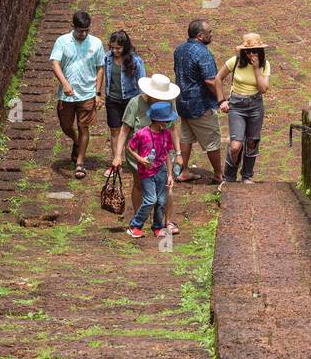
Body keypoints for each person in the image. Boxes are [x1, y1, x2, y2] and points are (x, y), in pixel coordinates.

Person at [113, 73, 184, 235]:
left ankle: (165, 221)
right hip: (139, 155)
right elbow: (124, 131)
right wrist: (117, 155)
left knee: (165, 188)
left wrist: (178, 153)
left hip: (162, 153)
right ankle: (139, 221)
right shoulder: (135, 103)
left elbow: (173, 128)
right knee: (139, 185)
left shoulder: (168, 104)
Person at [49, 11, 104, 179]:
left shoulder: (96, 43)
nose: (84, 33)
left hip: (87, 93)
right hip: (67, 95)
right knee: (66, 125)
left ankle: (80, 162)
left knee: (84, 127)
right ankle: (77, 141)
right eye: (80, 30)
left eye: (86, 30)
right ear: (73, 27)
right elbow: (55, 63)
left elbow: (100, 67)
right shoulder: (62, 41)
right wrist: (65, 83)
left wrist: (98, 93)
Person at [173, 20, 224, 186]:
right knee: (212, 141)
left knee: (186, 137)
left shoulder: (179, 49)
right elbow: (210, 81)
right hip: (200, 105)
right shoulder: (203, 53)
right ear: (200, 36)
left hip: (183, 102)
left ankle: (183, 171)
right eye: (209, 32)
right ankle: (219, 174)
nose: (212, 34)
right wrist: (221, 99)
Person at [216, 33, 271, 183]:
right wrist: (221, 101)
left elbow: (263, 88)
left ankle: (247, 175)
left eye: (255, 50)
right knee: (235, 145)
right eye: (248, 51)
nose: (252, 54)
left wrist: (256, 69)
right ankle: (229, 176)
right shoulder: (235, 61)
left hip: (255, 105)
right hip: (237, 105)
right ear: (243, 51)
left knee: (252, 141)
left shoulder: (264, 65)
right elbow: (218, 78)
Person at [125, 101, 177, 239]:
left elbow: (167, 154)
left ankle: (158, 226)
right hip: (146, 172)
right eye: (167, 121)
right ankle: (135, 225)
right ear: (159, 121)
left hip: (161, 170)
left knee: (161, 200)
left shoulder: (166, 134)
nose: (168, 123)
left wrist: (170, 175)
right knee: (151, 199)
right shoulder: (142, 134)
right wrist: (140, 159)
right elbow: (129, 148)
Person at [102, 30, 145, 175]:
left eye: (118, 48)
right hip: (112, 99)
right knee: (114, 131)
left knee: (130, 132)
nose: (114, 51)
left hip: (130, 100)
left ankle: (134, 160)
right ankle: (116, 161)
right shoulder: (107, 58)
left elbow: (142, 82)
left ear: (125, 47)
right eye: (112, 47)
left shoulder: (135, 61)